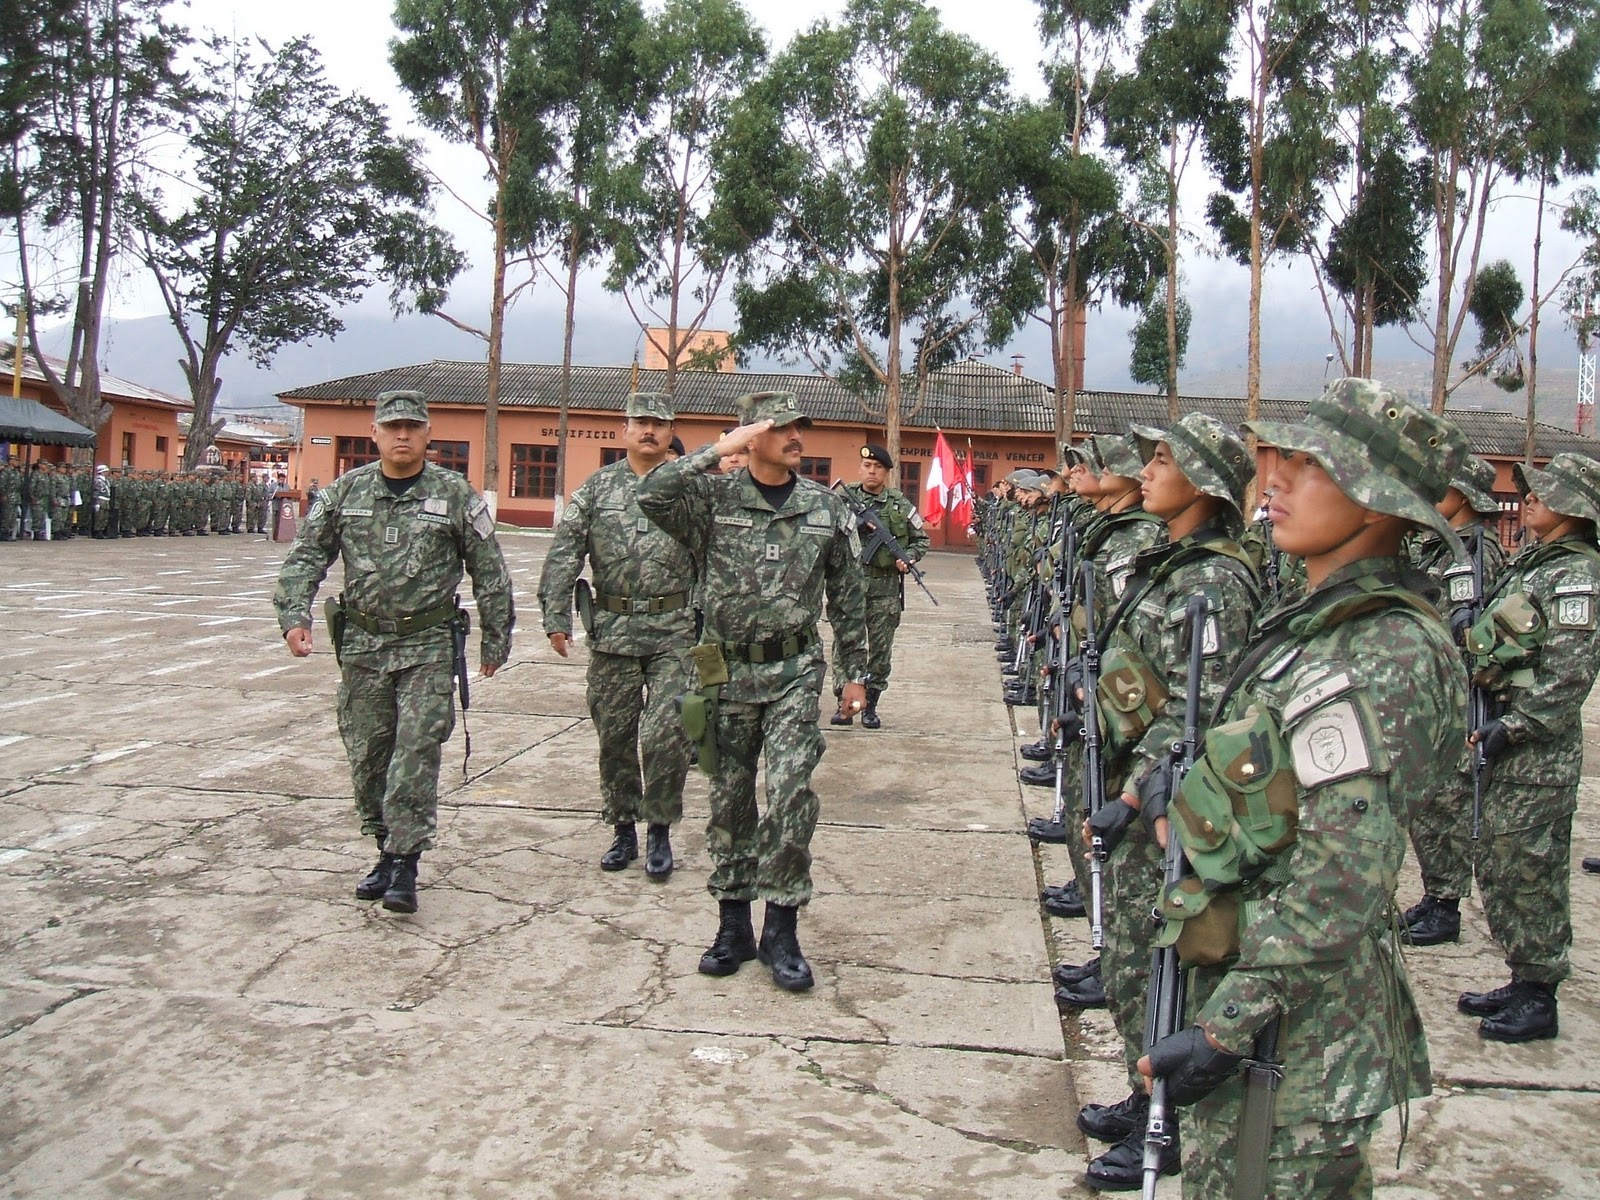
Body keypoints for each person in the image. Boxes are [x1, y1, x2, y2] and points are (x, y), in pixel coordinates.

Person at [1138, 379, 1467, 1199]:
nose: (1274, 482)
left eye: (1311, 467)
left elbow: (1342, 878)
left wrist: (1223, 1030)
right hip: (1261, 995)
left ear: (1379, 504)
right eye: (1279, 461)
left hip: (1296, 1041)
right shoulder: (1319, 616)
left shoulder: (1384, 648)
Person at [1073, 414, 1260, 1190]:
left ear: (1205, 484)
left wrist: (1128, 791)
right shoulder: (1172, 561)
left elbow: (1199, 709)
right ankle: (1140, 1085)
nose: (1146, 471)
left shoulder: (1211, 579)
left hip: (1170, 808)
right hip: (1139, 795)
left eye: (1162, 460)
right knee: (1128, 961)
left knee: (1158, 969)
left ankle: (1167, 1120)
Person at [638, 390, 868, 993]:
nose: (796, 437)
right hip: (722, 670)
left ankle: (782, 928)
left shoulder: (824, 507)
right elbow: (650, 494)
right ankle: (734, 923)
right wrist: (717, 451)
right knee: (730, 799)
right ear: (750, 435)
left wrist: (856, 673)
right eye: (781, 427)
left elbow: (847, 596)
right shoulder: (711, 500)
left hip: (794, 671)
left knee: (791, 794)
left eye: (799, 427)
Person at [273, 390, 514, 915]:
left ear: (429, 435)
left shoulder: (455, 495)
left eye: (413, 427)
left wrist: (496, 635)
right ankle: (384, 845)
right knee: (368, 755)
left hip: (427, 646)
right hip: (362, 647)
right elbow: (305, 557)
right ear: (376, 434)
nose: (402, 436)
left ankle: (406, 861)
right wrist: (294, 617)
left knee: (414, 751)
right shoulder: (345, 493)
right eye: (392, 427)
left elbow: (490, 570)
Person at [1457, 452, 1600, 1042]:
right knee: (1501, 865)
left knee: (1531, 870)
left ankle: (1540, 993)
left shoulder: (1577, 575)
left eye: (1544, 491)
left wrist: (1512, 728)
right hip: (1511, 745)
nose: (1529, 498)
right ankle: (1523, 976)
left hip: (1536, 755)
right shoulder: (1537, 564)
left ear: (1575, 505)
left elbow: (1568, 676)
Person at [538, 392, 697, 879]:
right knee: (615, 737)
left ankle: (659, 831)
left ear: (671, 432)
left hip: (675, 634)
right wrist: (555, 615)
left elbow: (716, 555)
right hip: (612, 635)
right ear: (624, 429)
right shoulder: (597, 489)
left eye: (659, 423)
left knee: (667, 733)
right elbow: (566, 550)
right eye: (640, 422)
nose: (649, 430)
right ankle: (623, 828)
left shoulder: (689, 490)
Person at [1402, 454, 1507, 947]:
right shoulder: (1443, 547)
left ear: (1462, 496)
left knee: (1445, 802)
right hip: (1433, 687)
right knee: (1428, 803)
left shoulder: (1475, 552)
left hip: (1457, 691)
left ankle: (1446, 904)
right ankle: (1435, 894)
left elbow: (1474, 626)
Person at [829, 443, 929, 729]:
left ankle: (870, 703)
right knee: (845, 645)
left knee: (880, 650)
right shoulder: (842, 498)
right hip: (849, 585)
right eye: (867, 466)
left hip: (884, 588)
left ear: (886, 472)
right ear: (860, 469)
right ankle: (845, 703)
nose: (872, 471)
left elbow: (921, 539)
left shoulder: (899, 504)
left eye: (878, 467)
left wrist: (908, 558)